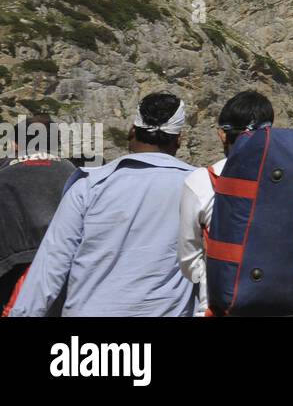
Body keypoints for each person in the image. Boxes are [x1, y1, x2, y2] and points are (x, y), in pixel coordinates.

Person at [8, 93, 198, 317]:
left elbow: (51, 264)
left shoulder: (90, 184)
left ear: (132, 132)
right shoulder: (199, 187)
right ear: (179, 140)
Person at [176, 90, 274, 316]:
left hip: (219, 306)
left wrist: (211, 277)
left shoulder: (202, 181)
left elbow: (189, 259)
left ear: (222, 134)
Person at [0, 115, 81, 314]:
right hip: (68, 277)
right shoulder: (78, 175)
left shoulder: (4, 173)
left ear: (16, 144)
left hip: (11, 274)